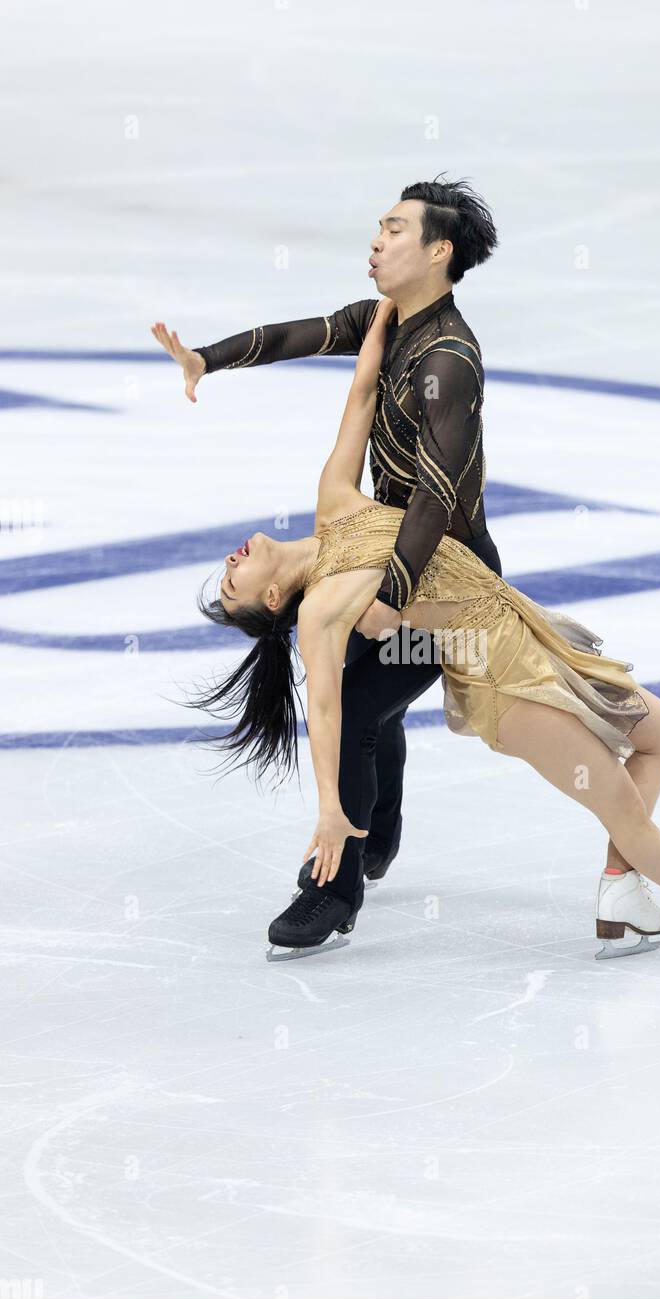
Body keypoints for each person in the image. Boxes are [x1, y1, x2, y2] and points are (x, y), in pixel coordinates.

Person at [190, 298, 660, 962]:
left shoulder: (335, 504)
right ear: (270, 596)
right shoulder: (322, 610)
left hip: (524, 627)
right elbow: (327, 709)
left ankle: (622, 892)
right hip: (500, 681)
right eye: (232, 583)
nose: (229, 561)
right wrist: (329, 811)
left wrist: (382, 323)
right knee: (619, 806)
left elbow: (358, 399)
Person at [152, 174, 504, 949]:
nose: (375, 240)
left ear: (438, 251)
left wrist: (391, 599)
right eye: (378, 227)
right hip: (383, 561)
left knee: (349, 712)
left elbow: (437, 500)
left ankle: (334, 889)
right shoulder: (387, 320)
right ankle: (378, 824)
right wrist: (205, 360)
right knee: (353, 690)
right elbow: (296, 337)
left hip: (450, 597)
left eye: (394, 229)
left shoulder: (449, 360)